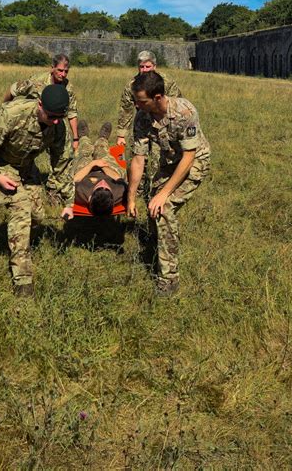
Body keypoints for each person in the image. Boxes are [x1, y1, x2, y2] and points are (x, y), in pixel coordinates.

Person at [0, 84, 73, 297]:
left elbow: (62, 165)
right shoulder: (11, 115)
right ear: (40, 104)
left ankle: (19, 239)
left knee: (38, 215)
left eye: (59, 117)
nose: (55, 121)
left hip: (26, 168)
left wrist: (70, 202)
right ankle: (23, 281)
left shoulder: (58, 127)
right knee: (22, 211)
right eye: (51, 116)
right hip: (1, 165)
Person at [127, 71, 211, 296]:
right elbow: (138, 159)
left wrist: (165, 194)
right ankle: (160, 244)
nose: (137, 105)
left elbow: (189, 157)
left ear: (157, 97)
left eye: (141, 101)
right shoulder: (142, 117)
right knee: (151, 201)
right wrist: (131, 197)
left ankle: (169, 280)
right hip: (170, 161)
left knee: (163, 207)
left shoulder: (185, 111)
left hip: (193, 163)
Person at [3, 53, 79, 199]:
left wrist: (75, 138)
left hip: (56, 126)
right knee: (24, 156)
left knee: (64, 157)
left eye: (66, 71)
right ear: (52, 68)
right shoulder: (37, 81)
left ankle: (54, 191)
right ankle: (21, 183)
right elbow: (13, 89)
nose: (63, 74)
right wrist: (4, 108)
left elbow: (72, 113)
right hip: (34, 125)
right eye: (60, 70)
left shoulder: (68, 88)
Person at [116, 50, 182, 194]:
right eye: (141, 67)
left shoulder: (166, 83)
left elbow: (176, 104)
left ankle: (159, 188)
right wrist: (121, 134)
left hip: (163, 125)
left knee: (161, 156)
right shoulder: (132, 86)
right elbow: (125, 110)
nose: (144, 70)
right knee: (139, 156)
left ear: (155, 66)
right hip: (141, 124)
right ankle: (138, 189)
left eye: (148, 67)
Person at [61, 121, 127, 219]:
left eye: (99, 188)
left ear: (90, 197)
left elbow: (74, 179)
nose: (103, 183)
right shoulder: (120, 193)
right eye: (107, 188)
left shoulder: (80, 193)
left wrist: (92, 164)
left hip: (86, 172)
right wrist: (102, 165)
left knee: (83, 153)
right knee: (103, 154)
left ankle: (83, 138)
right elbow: (117, 177)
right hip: (106, 171)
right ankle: (102, 139)